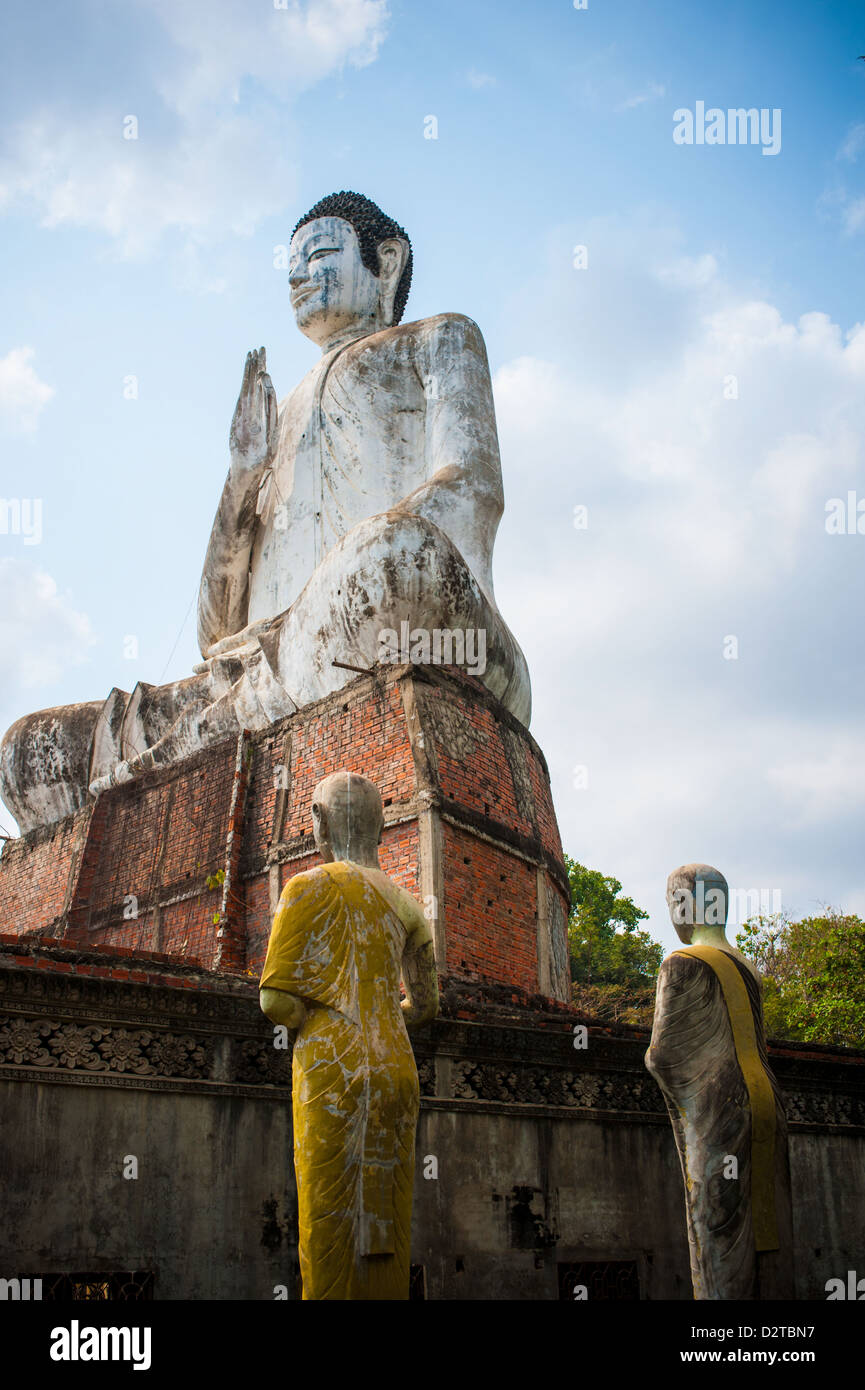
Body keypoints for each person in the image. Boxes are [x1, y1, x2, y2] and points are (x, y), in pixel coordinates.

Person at [1, 191, 530, 835]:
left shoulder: (438, 339)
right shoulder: (274, 427)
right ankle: (222, 727)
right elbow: (215, 632)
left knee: (388, 556)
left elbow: (472, 490)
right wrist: (242, 476)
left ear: (385, 263)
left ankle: (205, 743)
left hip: (406, 623)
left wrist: (337, 588)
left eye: (322, 255)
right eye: (290, 267)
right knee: (29, 749)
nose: (300, 277)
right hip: (254, 670)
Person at [259, 770, 439, 1300]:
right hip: (396, 1068)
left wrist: (329, 1018)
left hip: (332, 1068)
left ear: (317, 823)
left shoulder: (306, 886)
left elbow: (275, 1000)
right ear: (381, 828)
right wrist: (381, 1016)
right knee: (385, 1211)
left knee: (331, 1221)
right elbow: (426, 1004)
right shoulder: (406, 902)